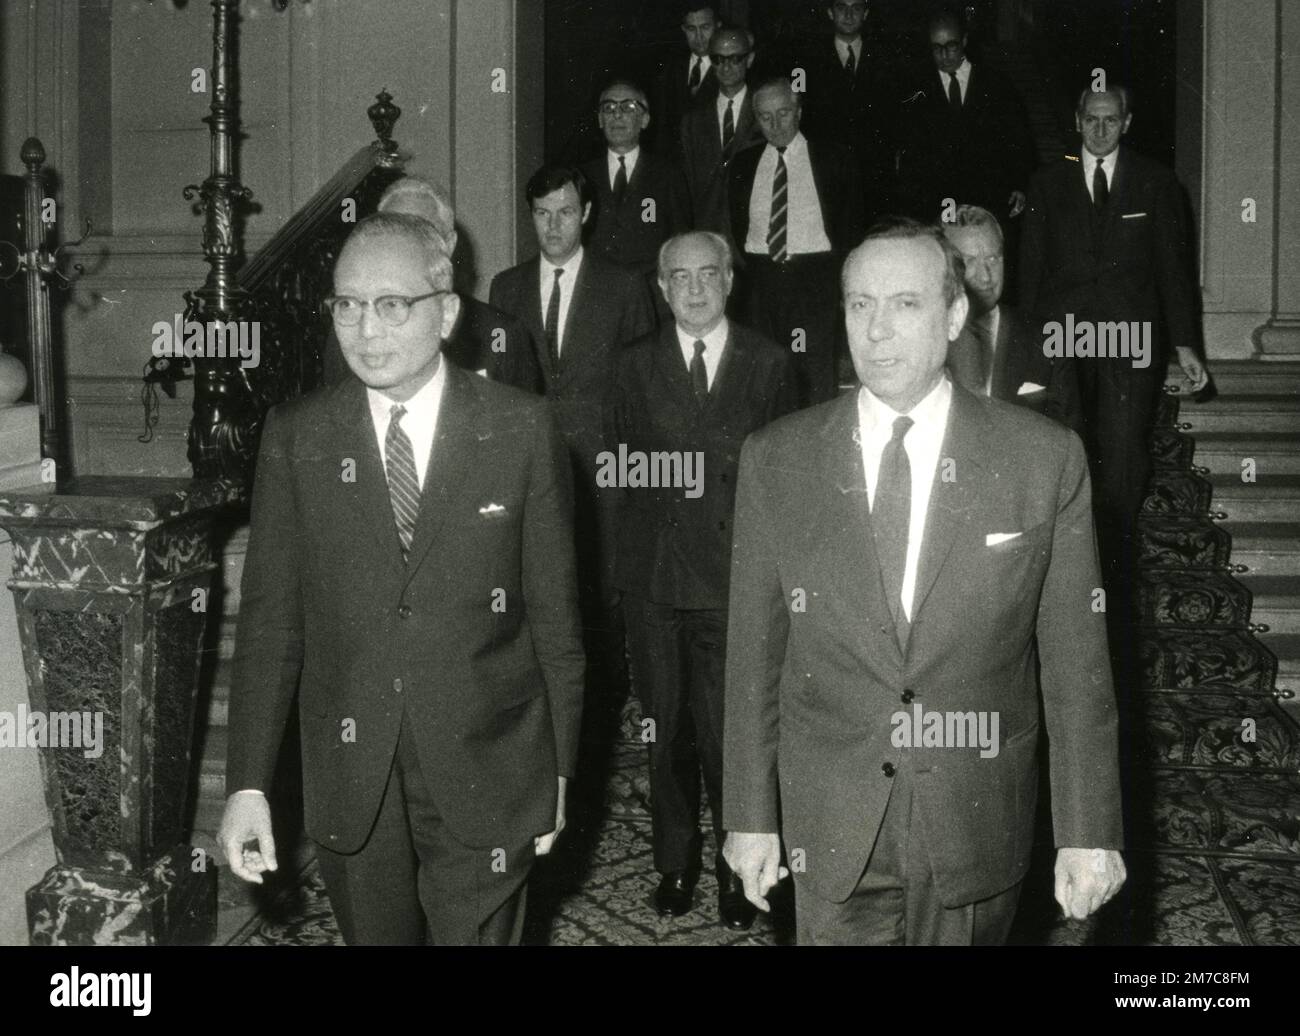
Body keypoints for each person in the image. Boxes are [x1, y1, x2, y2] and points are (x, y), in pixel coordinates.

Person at [722, 218, 1126, 945]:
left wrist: (1089, 830)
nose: (878, 330)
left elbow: (1076, 666)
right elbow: (754, 658)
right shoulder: (776, 460)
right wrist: (750, 815)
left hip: (975, 818)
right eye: (859, 305)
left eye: (905, 304)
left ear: (954, 314)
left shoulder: (1043, 460)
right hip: (831, 823)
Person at [219, 213, 585, 945]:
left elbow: (555, 620)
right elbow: (269, 625)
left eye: (392, 305)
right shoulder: (299, 436)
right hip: (355, 775)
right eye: (347, 305)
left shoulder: (520, 428)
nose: (365, 329)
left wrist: (560, 773)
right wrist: (249, 782)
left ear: (446, 313)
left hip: (492, 764)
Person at [605, 231, 796, 928]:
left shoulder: (769, 363)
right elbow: (620, 472)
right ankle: (676, 863)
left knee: (730, 738)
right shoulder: (630, 366)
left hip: (734, 584)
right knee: (665, 731)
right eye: (678, 277)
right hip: (655, 584)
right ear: (660, 288)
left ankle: (734, 870)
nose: (693, 289)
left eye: (707, 274)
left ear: (729, 280)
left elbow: (786, 481)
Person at [1019, 86, 1207, 609]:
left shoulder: (1155, 182)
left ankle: (1116, 569)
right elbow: (1031, 270)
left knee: (1123, 453)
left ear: (1126, 122)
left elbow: (1173, 269)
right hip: (1064, 335)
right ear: (1077, 121)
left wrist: (1186, 343)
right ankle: (1067, 567)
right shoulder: (1047, 182)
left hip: (1130, 336)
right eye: (1091, 120)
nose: (1100, 130)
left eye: (1111, 120)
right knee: (1064, 445)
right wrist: (1026, 347)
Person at [490, 165, 656, 701]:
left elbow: (642, 388)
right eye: (542, 214)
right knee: (537, 581)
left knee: (600, 587)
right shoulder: (506, 287)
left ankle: (603, 705)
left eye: (564, 213)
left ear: (585, 214)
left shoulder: (624, 286)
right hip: (530, 461)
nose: (553, 226)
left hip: (603, 464)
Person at [322, 176, 542, 394]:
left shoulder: (499, 333)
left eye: (422, 234)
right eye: (391, 233)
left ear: (449, 244)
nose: (402, 250)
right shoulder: (351, 330)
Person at [729, 75, 863, 407]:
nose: (775, 124)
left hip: (814, 281)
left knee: (811, 374)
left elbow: (851, 224)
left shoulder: (834, 158)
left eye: (783, 113)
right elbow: (737, 224)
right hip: (760, 282)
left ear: (799, 111)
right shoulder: (743, 164)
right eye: (765, 116)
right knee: (762, 374)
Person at [896, 7, 1035, 246]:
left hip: (988, 200)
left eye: (951, 46)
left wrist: (1020, 185)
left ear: (965, 41)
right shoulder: (916, 90)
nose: (944, 55)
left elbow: (1019, 140)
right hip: (936, 206)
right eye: (936, 48)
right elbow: (910, 154)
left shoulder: (996, 84)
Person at [942, 204, 1077, 428]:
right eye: (969, 262)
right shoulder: (926, 338)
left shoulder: (1049, 339)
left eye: (993, 259)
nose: (985, 277)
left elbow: (1070, 441)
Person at [580, 80, 685, 302]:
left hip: (651, 297)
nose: (617, 115)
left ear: (645, 119)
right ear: (600, 119)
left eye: (628, 108)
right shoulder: (582, 176)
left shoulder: (667, 175)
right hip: (596, 295)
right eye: (608, 108)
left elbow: (679, 240)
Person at [799, 0, 895, 223]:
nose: (849, 14)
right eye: (842, 7)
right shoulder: (806, 59)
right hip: (826, 174)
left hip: (875, 176)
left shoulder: (887, 57)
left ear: (866, 13)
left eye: (857, 7)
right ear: (830, 12)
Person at [678, 27, 760, 247]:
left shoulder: (764, 112)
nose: (725, 67)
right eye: (718, 59)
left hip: (755, 238)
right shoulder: (692, 120)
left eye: (735, 58)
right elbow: (686, 187)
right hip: (707, 237)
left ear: (749, 59)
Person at [653, 2, 718, 156]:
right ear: (683, 29)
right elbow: (661, 129)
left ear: (718, 26)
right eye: (691, 29)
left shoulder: (727, 69)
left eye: (705, 27)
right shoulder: (670, 68)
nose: (699, 37)